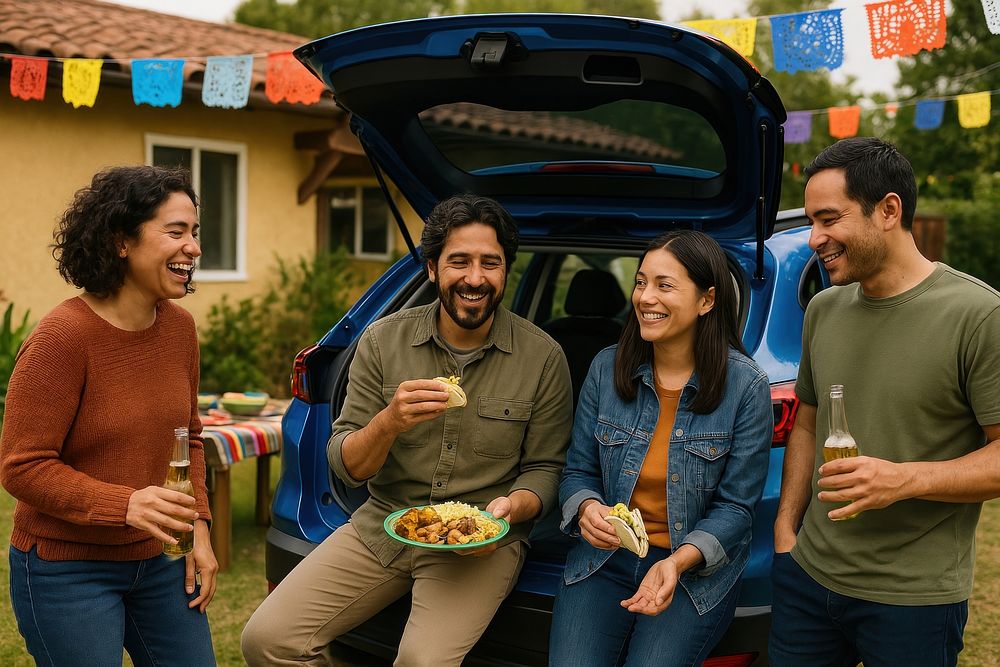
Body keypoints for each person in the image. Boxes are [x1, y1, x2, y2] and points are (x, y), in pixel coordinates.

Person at [241, 194, 573, 666]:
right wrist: (389, 421)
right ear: (433, 269)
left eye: (490, 263)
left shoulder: (543, 357)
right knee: (267, 640)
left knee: (422, 662)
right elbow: (347, 465)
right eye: (459, 261)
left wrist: (510, 509)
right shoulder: (382, 341)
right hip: (387, 523)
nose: (475, 278)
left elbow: (545, 469)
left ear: (505, 271)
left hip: (483, 541)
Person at [769, 137, 1000, 666]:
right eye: (811, 222)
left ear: (888, 210)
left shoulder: (979, 315)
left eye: (829, 219)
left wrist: (905, 479)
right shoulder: (823, 310)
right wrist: (787, 528)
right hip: (808, 579)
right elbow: (806, 421)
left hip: (913, 600)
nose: (813, 239)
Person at [0, 165, 218, 665]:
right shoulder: (61, 339)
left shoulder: (180, 329)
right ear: (122, 241)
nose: (194, 248)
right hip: (67, 569)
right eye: (175, 232)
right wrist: (125, 504)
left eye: (195, 232)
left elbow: (191, 438)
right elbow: (22, 465)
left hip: (162, 561)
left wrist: (199, 529)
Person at [549, 230, 773, 666]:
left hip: (692, 572)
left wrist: (677, 562)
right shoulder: (605, 367)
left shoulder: (747, 386)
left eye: (664, 285)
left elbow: (736, 509)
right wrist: (586, 508)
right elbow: (577, 471)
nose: (645, 297)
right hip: (603, 560)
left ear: (706, 300)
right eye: (640, 282)